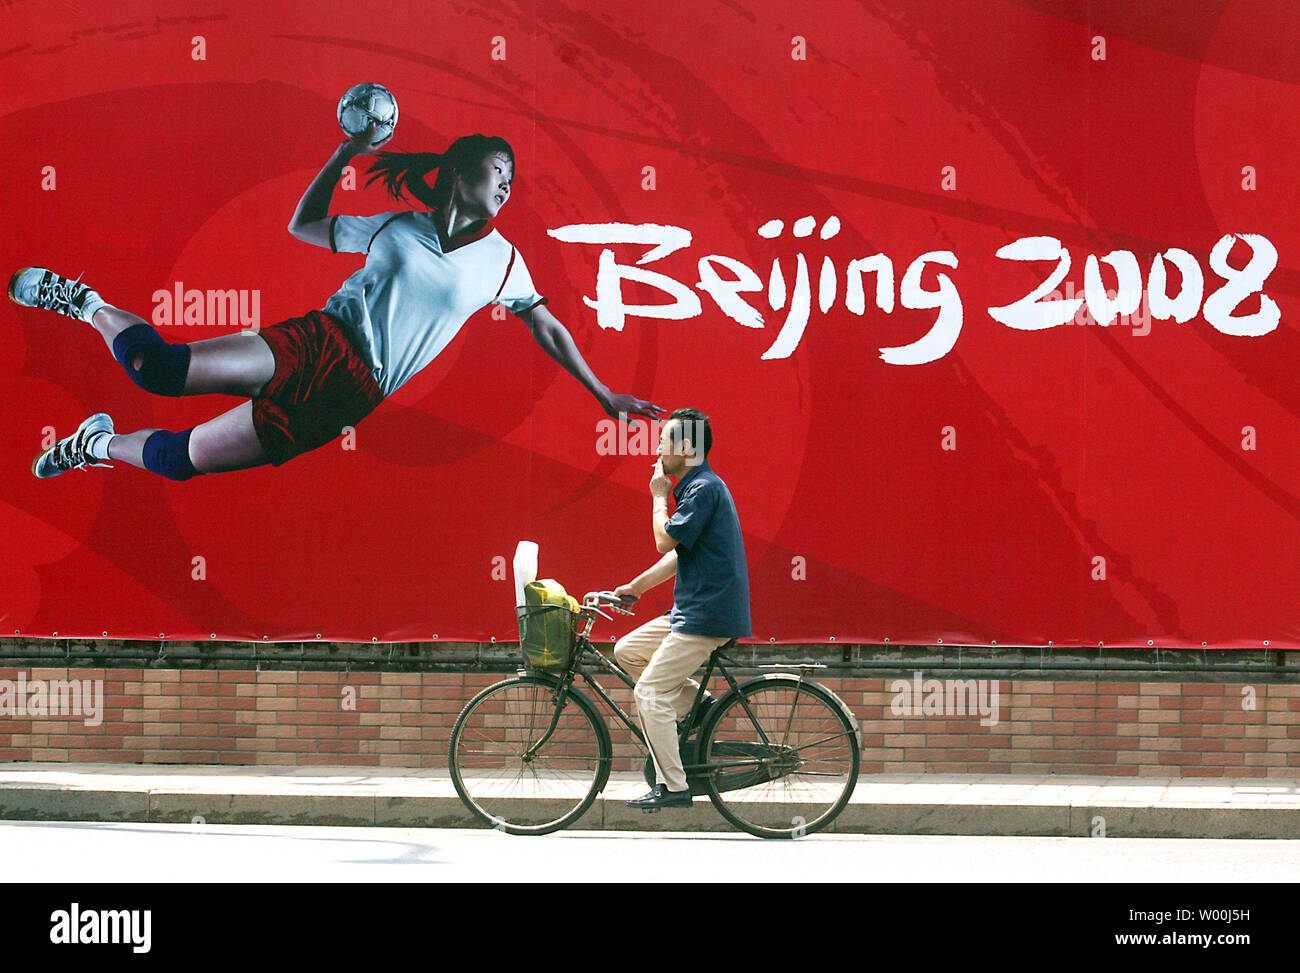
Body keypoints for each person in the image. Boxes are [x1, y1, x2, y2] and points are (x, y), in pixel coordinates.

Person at [12, 122, 661, 480]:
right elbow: (305, 224)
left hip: (353, 395)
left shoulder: (506, 262)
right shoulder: (397, 225)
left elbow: (546, 328)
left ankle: (94, 446)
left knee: (178, 460)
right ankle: (84, 300)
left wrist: (605, 394)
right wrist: (346, 151)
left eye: (513, 180)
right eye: (499, 171)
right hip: (318, 341)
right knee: (160, 369)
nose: (507, 185)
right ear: (461, 172)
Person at [614, 408, 751, 809]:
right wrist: (635, 588)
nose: (656, 448)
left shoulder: (703, 488)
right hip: (691, 610)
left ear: (687, 447)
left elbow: (665, 541)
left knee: (650, 692)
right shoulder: (696, 488)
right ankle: (700, 704)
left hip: (706, 615)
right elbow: (680, 555)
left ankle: (673, 786)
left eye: (664, 441)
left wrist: (657, 496)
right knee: (626, 651)